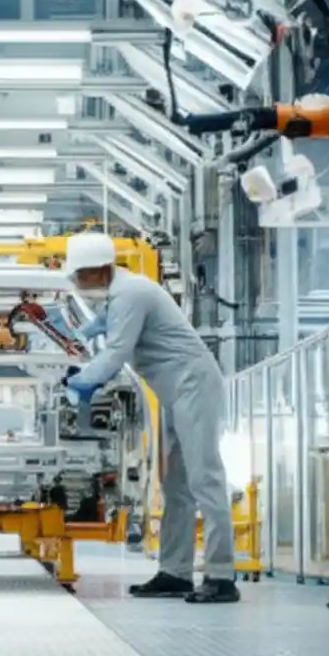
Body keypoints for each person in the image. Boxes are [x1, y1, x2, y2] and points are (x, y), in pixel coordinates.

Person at [62, 232, 240, 604]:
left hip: (193, 383)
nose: (76, 282)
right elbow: (99, 332)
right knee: (175, 484)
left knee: (204, 476)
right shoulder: (119, 296)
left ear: (100, 270)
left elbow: (116, 352)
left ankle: (222, 576)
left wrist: (84, 381)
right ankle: (176, 572)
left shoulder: (133, 293)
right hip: (174, 391)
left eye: (79, 275)